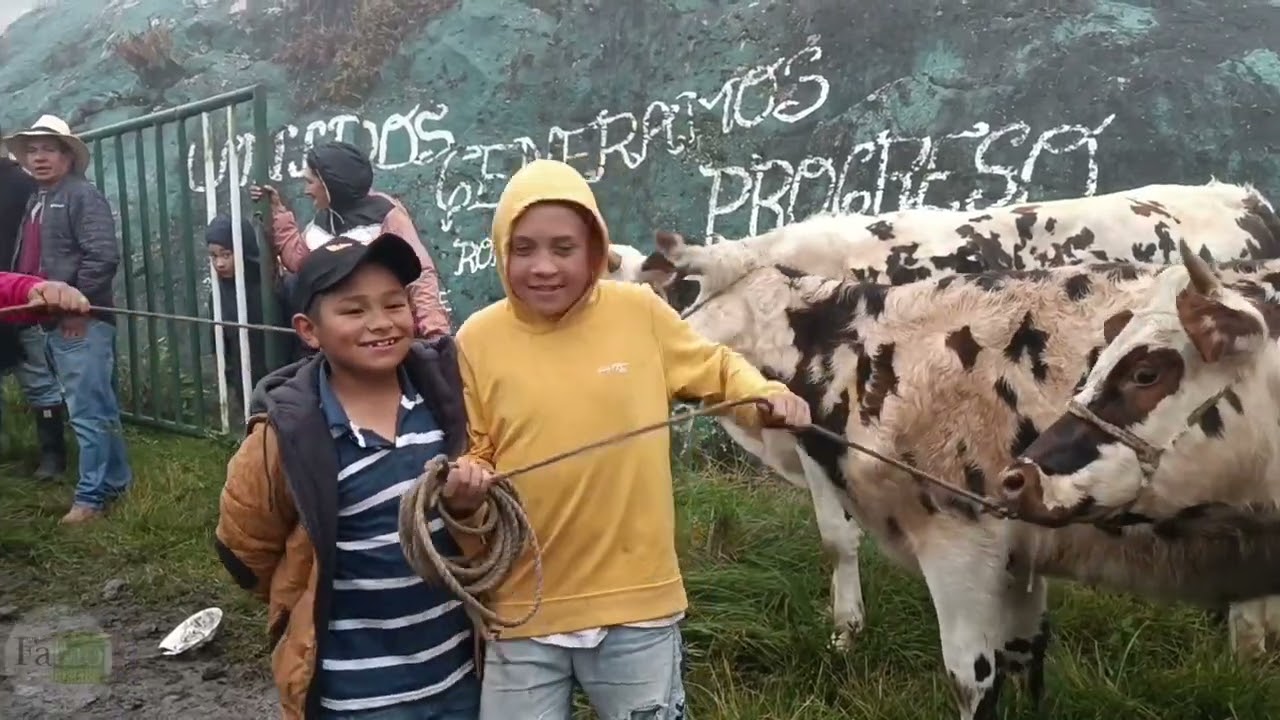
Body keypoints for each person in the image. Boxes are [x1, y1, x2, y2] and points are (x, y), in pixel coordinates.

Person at [439, 158, 812, 718]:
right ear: (501, 251)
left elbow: (715, 369)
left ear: (595, 249)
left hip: (637, 604)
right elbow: (477, 449)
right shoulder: (476, 339)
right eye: (524, 249)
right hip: (521, 606)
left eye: (564, 248)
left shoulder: (637, 312)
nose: (543, 267)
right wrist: (465, 489)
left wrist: (766, 396)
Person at [214, 233, 480, 720]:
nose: (380, 323)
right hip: (355, 695)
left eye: (393, 304)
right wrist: (301, 592)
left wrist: (466, 507)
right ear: (308, 330)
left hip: (458, 680)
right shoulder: (287, 435)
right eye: (354, 311)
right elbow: (245, 551)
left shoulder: (448, 403)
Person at [4, 114, 133, 525]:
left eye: (49, 149)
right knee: (100, 409)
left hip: (79, 319)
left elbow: (102, 256)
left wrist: (78, 309)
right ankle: (115, 483)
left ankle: (91, 499)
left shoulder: (81, 195)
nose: (39, 158)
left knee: (87, 412)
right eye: (32, 151)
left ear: (67, 156)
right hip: (52, 319)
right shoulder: (37, 199)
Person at [250, 140, 451, 339]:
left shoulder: (385, 215)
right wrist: (277, 211)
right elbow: (297, 260)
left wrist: (435, 333)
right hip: (343, 338)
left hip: (383, 332)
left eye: (310, 182)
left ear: (330, 183)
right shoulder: (322, 222)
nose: (306, 191)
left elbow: (421, 274)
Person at [0, 127, 67, 480]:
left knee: (37, 377)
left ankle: (52, 455)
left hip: (19, 294)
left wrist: (36, 284)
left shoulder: (23, 185)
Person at [204, 212, 294, 407]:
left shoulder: (271, 286)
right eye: (213, 256)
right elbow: (219, 338)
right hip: (243, 377)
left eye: (226, 254)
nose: (219, 263)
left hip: (284, 378)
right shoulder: (219, 293)